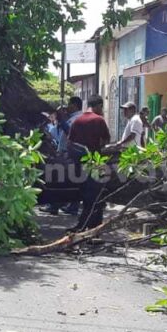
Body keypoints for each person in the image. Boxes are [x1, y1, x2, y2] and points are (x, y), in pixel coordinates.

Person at [67, 95, 111, 232]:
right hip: (95, 163)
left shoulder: (77, 121)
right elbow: (106, 141)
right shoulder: (99, 120)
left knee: (86, 196)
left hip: (79, 165)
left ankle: (85, 226)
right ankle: (91, 228)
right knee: (96, 197)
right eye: (101, 107)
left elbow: (70, 143)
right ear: (98, 106)